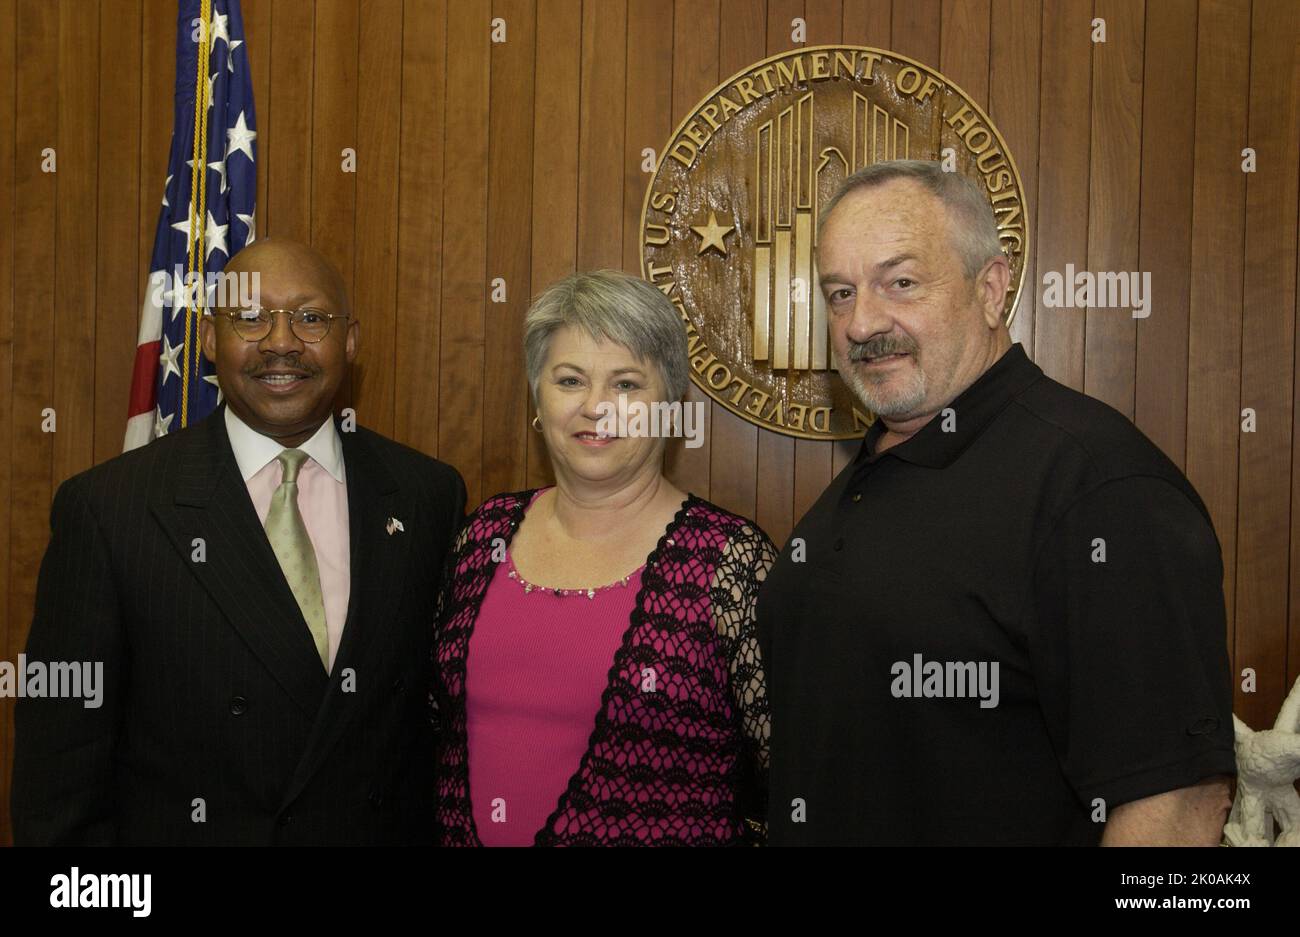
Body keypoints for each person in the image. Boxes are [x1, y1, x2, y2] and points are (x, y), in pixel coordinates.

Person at [758, 160, 1236, 845]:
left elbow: (1180, 806)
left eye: (901, 282)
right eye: (840, 293)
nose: (862, 322)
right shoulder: (870, 473)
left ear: (990, 289)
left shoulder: (1100, 488)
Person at [12, 238, 466, 845]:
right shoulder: (109, 510)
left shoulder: (427, 496)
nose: (282, 341)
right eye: (250, 317)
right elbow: (58, 788)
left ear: (350, 342)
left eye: (311, 318)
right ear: (207, 338)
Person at [432, 270, 774, 846]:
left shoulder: (730, 562)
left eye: (625, 385)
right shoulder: (481, 537)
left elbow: (790, 775)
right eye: (570, 380)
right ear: (537, 395)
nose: (596, 407)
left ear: (669, 404)